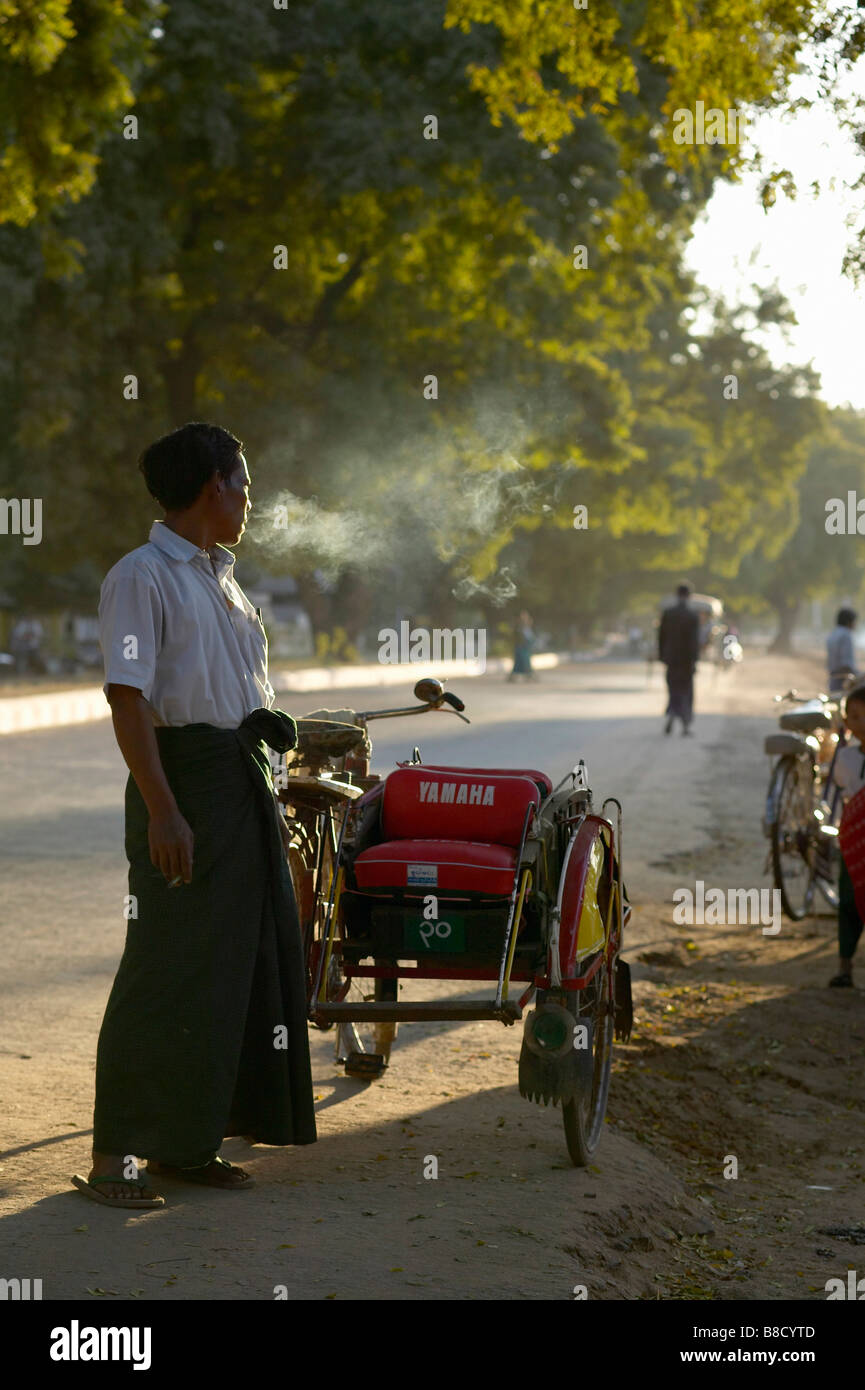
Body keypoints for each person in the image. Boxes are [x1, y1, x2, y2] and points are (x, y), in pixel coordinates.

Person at [72, 422, 316, 1209]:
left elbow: (243, 697)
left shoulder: (225, 580)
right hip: (184, 789)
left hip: (238, 784)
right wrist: (163, 812)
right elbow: (128, 700)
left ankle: (187, 1144)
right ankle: (114, 1160)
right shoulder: (141, 577)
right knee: (165, 968)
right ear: (214, 483)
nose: (249, 498)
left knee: (233, 969)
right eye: (243, 482)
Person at [830, 685, 865, 987]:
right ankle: (845, 965)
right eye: (849, 716)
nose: (853, 722)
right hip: (854, 841)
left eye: (859, 716)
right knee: (849, 900)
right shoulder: (846, 757)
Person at [658, 583, 700, 736]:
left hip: (672, 661)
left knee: (673, 691)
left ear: (677, 595)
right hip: (686, 662)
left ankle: (671, 716)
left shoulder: (668, 614)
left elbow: (661, 638)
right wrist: (695, 662)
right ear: (689, 596)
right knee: (686, 693)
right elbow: (694, 643)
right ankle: (685, 726)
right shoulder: (692, 615)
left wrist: (662, 657)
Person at [827, 607, 858, 695]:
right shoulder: (846, 635)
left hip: (833, 680)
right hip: (843, 680)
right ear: (849, 622)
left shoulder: (833, 634)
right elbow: (846, 664)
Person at [508, 610, 537, 682]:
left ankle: (528, 676)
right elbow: (516, 637)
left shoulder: (527, 628)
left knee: (525, 663)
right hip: (520, 647)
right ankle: (514, 677)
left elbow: (531, 638)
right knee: (520, 663)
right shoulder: (519, 627)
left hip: (526, 647)